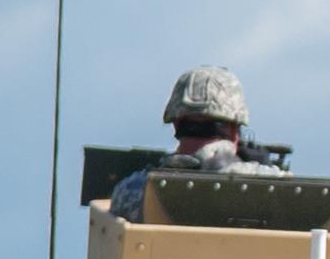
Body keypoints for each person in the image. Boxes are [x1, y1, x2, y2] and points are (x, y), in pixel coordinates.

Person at [110, 65, 278, 215]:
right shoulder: (267, 187)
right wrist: (265, 168)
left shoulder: (131, 192)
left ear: (176, 125)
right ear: (234, 132)